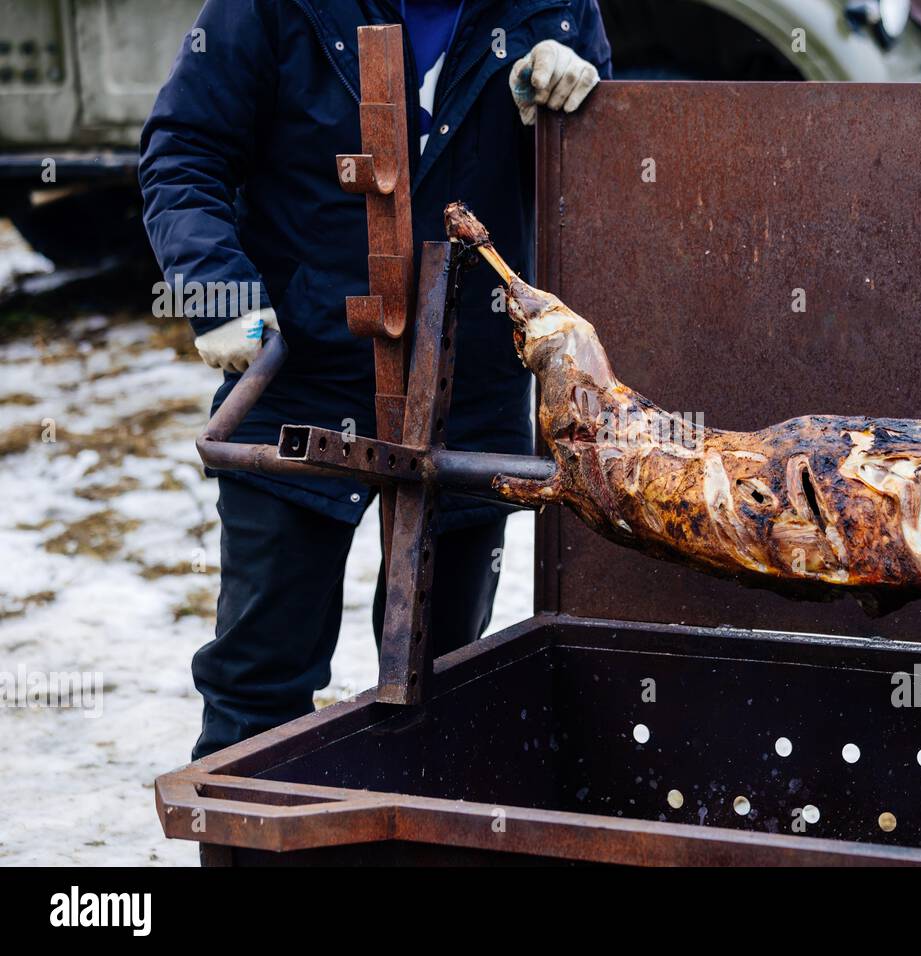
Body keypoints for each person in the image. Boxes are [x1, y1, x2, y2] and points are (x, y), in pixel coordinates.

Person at [138, 0, 611, 760]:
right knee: (260, 686)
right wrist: (215, 289)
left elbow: (596, 178)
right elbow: (185, 149)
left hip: (467, 386)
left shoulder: (548, 6)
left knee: (441, 686)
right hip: (301, 376)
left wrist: (572, 109)